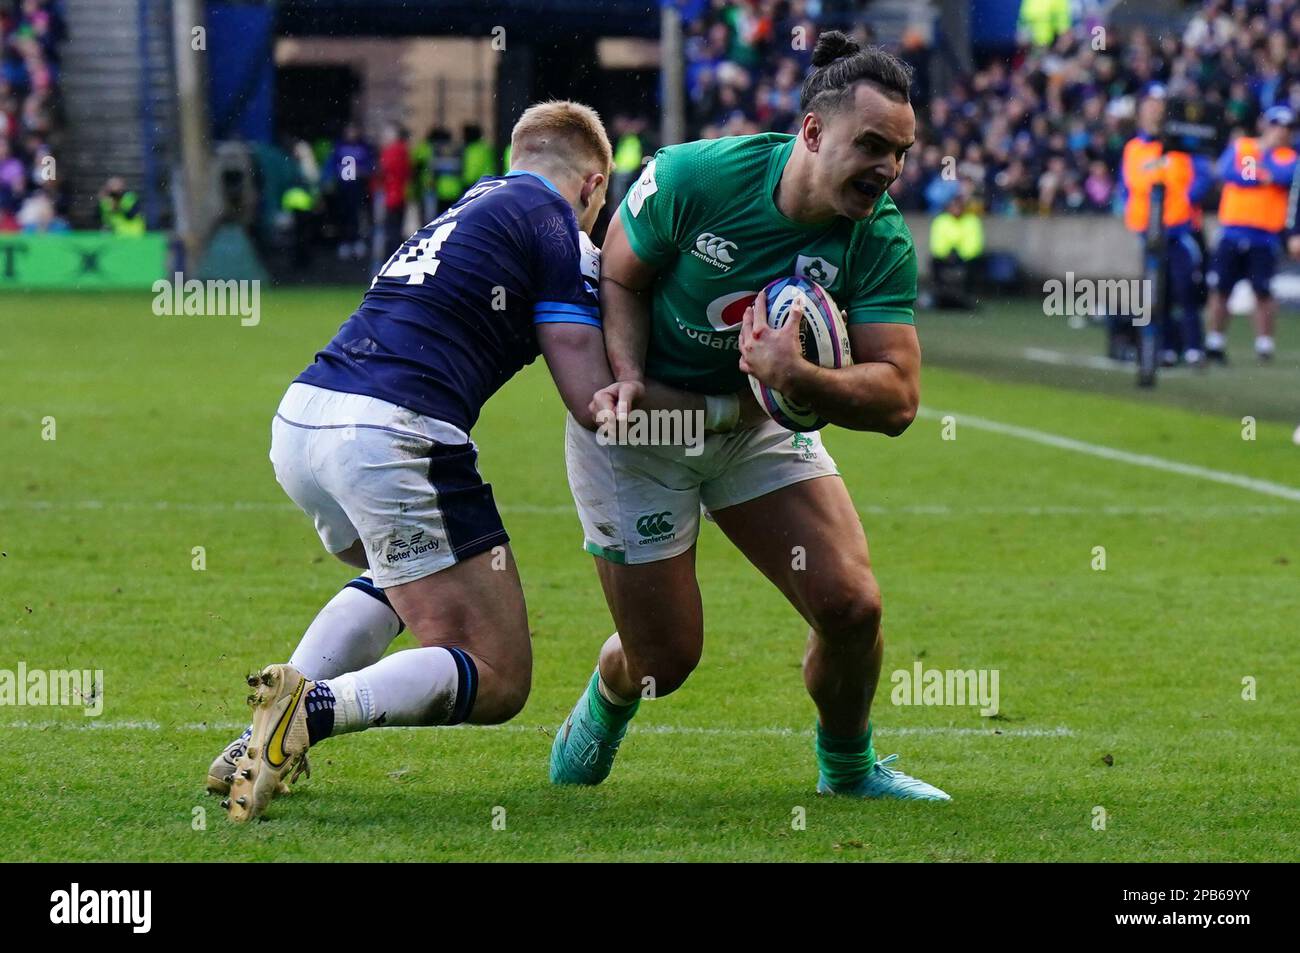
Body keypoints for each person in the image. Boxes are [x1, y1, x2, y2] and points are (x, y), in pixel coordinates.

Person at [207, 101, 752, 822]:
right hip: (392, 431)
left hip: (305, 419)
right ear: (593, 187)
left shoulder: (471, 205)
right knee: (497, 672)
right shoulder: (552, 221)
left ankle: (256, 739)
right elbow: (595, 402)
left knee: (402, 573)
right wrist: (731, 408)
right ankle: (310, 710)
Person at [550, 32, 950, 801]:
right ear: (811, 132)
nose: (888, 169)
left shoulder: (879, 236)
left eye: (900, 152)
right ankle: (611, 687)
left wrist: (796, 376)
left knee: (850, 604)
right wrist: (629, 376)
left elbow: (899, 398)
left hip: (755, 424)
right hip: (648, 432)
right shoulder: (696, 177)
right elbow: (622, 278)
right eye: (871, 145)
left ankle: (848, 769)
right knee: (665, 660)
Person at [1120, 93, 1213, 365]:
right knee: (1158, 293)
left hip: (1179, 230)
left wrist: (1185, 202)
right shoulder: (1133, 148)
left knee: (1186, 290)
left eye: (1157, 107)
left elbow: (1203, 176)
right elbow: (1127, 187)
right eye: (1148, 106)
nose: (1153, 112)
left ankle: (1194, 347)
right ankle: (1166, 347)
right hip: (1148, 233)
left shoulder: (1183, 145)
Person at [1205, 106, 1298, 364]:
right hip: (1233, 230)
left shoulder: (1288, 156)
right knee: (1221, 288)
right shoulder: (1243, 146)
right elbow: (1226, 172)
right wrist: (1259, 174)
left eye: (1286, 128)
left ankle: (1264, 344)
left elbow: (1283, 176)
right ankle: (1215, 340)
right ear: (1264, 125)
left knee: (1263, 291)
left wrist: (1255, 169)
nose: (1281, 132)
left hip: (1264, 235)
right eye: (1276, 125)